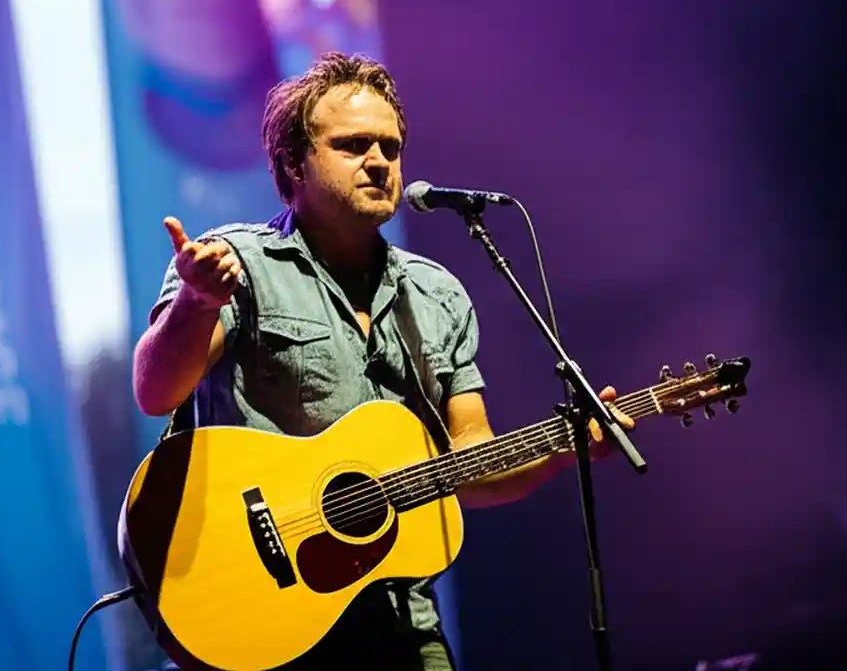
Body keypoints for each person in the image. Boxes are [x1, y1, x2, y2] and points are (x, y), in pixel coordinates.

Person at [132, 51, 633, 670]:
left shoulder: (438, 295)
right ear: (294, 162)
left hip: (402, 625)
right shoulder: (237, 262)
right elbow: (155, 391)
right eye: (353, 145)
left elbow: (468, 465)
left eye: (390, 148)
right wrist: (198, 303)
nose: (379, 162)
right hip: (263, 614)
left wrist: (563, 449)